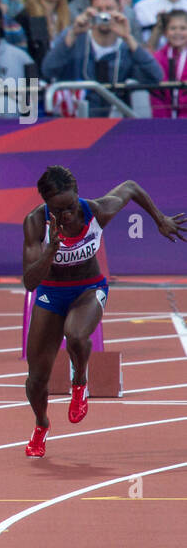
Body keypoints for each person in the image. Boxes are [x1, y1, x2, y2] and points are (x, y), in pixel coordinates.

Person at [21, 166, 185, 458]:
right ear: (47, 205)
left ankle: (80, 381)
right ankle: (41, 424)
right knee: (36, 379)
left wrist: (159, 219)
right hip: (50, 293)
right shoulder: (35, 223)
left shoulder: (97, 211)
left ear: (78, 197)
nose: (68, 213)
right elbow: (29, 282)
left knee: (75, 334)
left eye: (71, 205)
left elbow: (131, 186)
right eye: (60, 209)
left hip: (88, 289)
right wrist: (50, 250)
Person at [41, 0, 162, 118]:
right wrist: (73, 34)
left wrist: (128, 38)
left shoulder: (127, 46)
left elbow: (156, 76)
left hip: (116, 123)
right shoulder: (75, 38)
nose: (104, 15)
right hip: (77, 121)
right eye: (99, 10)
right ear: (90, 11)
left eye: (109, 9)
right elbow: (48, 70)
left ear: (120, 10)